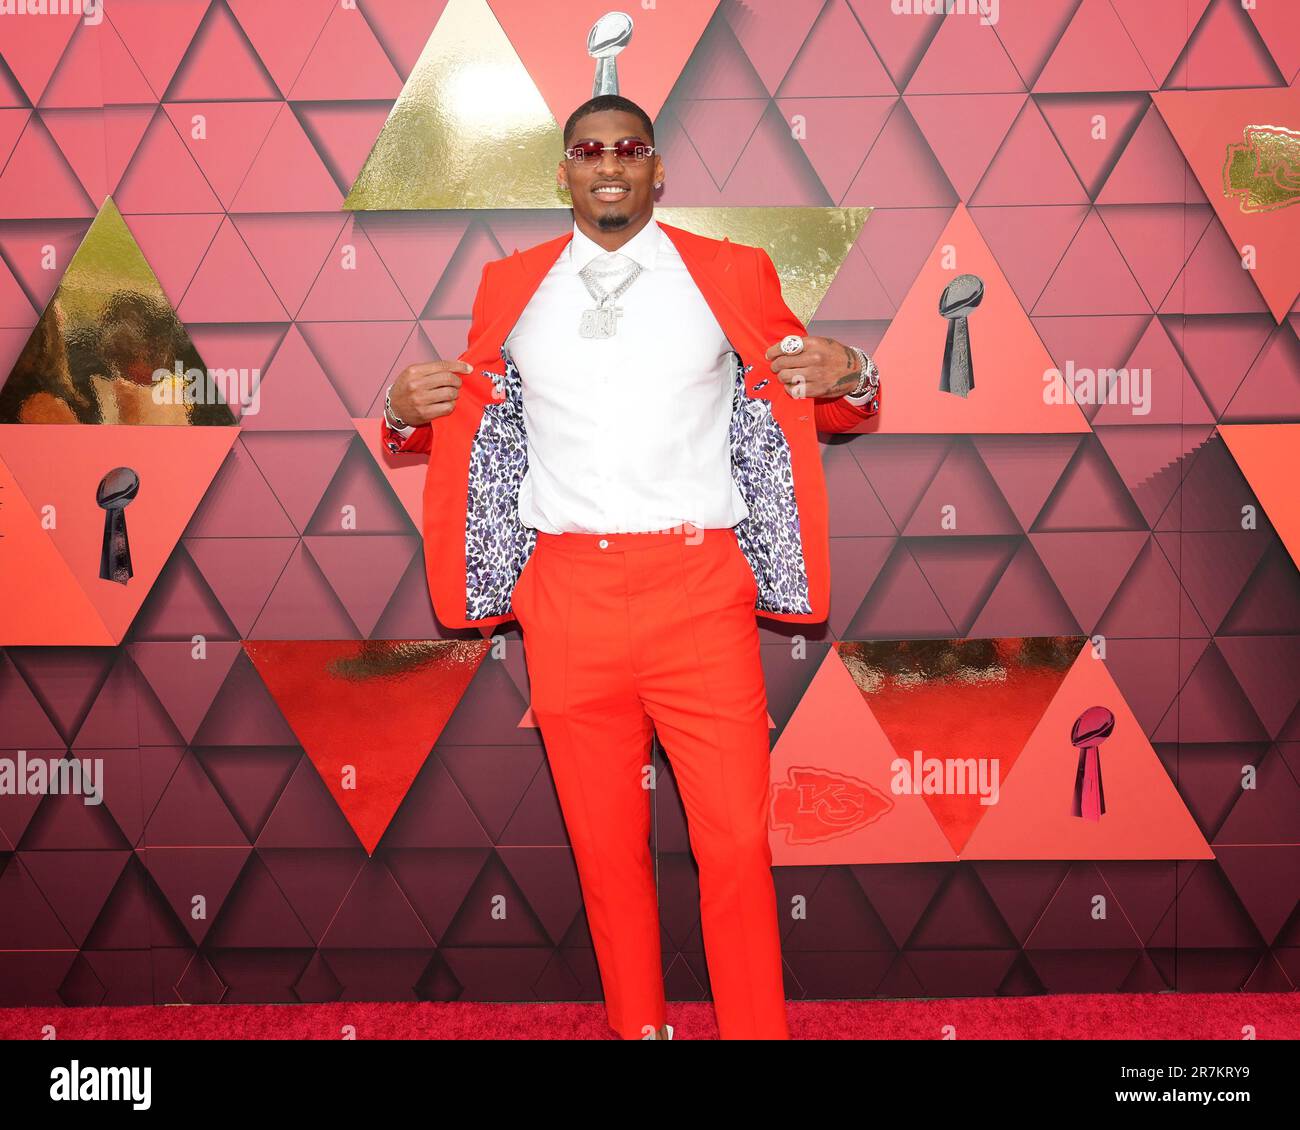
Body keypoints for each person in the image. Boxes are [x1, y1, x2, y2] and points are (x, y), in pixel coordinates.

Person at [381, 94, 881, 1040]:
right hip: (566, 597)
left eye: (629, 148)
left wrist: (853, 369)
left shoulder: (729, 271)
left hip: (699, 590)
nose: (608, 163)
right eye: (587, 149)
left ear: (658, 168)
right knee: (605, 851)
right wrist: (404, 412)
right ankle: (638, 1029)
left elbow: (820, 396)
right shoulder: (509, 287)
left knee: (734, 844)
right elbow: (459, 421)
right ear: (562, 170)